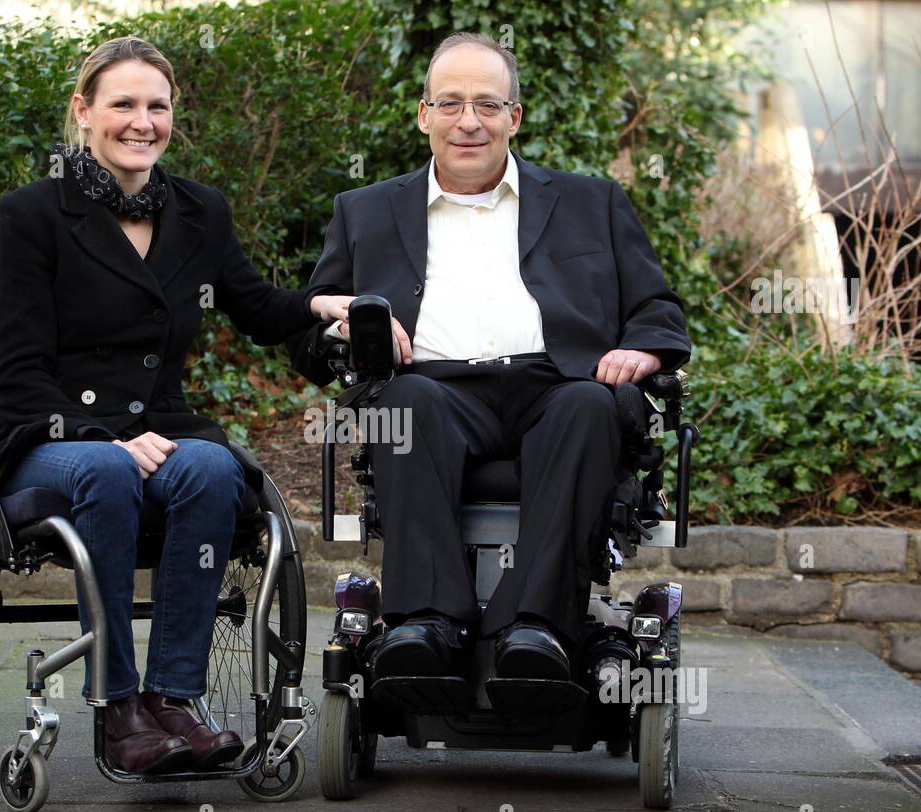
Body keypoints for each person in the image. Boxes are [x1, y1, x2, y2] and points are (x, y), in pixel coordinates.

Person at [0, 37, 348, 774]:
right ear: (84, 111)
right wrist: (107, 438)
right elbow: (16, 373)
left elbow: (257, 307)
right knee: (109, 474)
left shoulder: (199, 212)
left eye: (157, 105)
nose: (141, 121)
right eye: (122, 104)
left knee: (215, 470)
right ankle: (118, 708)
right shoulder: (34, 215)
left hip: (160, 429)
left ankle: (176, 697)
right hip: (48, 432)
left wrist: (320, 304)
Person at [290, 32, 690, 687]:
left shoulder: (592, 203)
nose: (468, 121)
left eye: (486, 104)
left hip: (556, 387)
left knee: (590, 407)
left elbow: (658, 308)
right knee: (405, 404)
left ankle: (534, 625)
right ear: (423, 115)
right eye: (449, 104)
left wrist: (641, 346)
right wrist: (346, 327)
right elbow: (308, 330)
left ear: (514, 117)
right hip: (431, 388)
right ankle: (426, 623)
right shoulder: (364, 212)